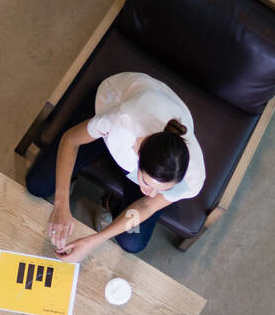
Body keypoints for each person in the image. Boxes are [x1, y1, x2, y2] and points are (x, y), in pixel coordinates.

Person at [25, 72, 206, 263]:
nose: (152, 194)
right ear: (138, 157)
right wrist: (61, 204)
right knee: (37, 184)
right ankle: (72, 175)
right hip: (112, 102)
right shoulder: (120, 122)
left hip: (148, 138)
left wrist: (92, 241)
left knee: (132, 240)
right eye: (146, 183)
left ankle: (111, 203)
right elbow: (71, 140)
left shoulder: (191, 177)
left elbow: (146, 205)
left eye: (162, 189)